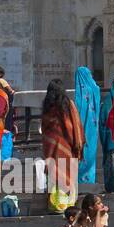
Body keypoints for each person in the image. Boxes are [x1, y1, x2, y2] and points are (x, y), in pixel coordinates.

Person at [40, 79, 85, 213]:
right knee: (67, 172)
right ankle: (68, 204)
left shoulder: (47, 106)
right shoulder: (67, 105)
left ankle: (54, 205)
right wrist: (76, 143)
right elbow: (72, 126)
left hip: (51, 144)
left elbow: (44, 127)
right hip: (65, 143)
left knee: (54, 173)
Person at [73, 65, 101, 186]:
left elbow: (77, 110)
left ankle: (80, 180)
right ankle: (89, 179)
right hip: (93, 127)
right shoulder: (95, 88)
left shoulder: (80, 91)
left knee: (81, 151)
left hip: (81, 129)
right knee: (91, 152)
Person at [99, 74, 114, 192]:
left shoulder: (108, 100)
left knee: (111, 165)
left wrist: (104, 140)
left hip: (110, 141)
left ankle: (111, 187)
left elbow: (102, 122)